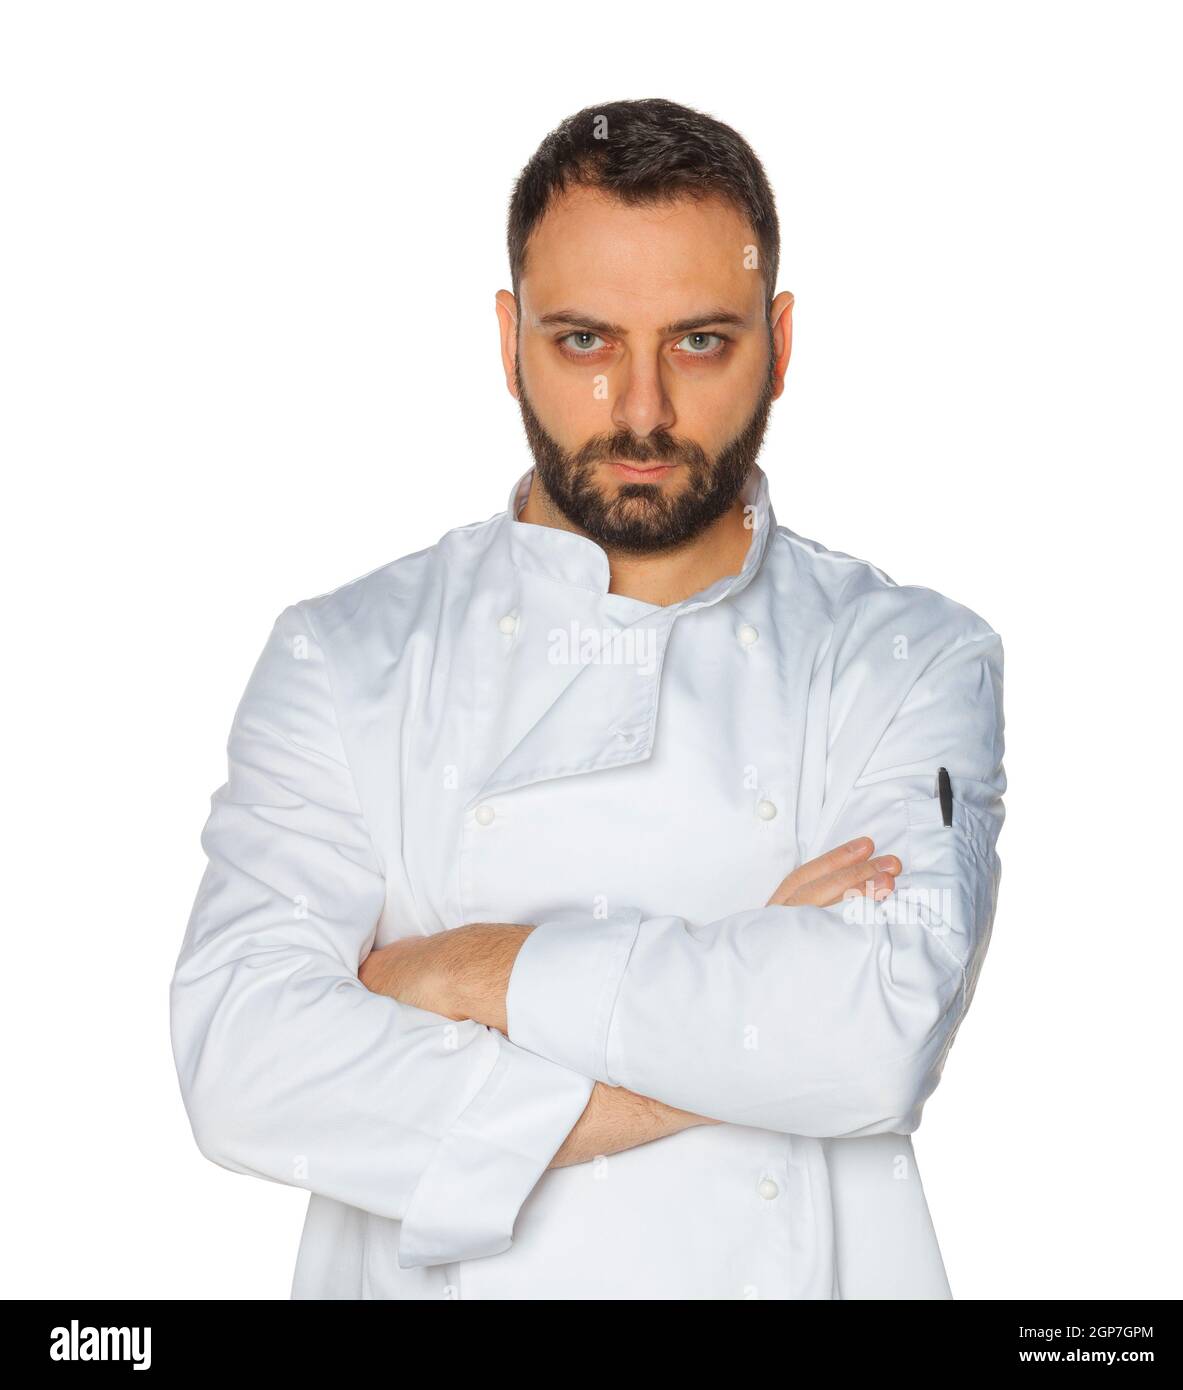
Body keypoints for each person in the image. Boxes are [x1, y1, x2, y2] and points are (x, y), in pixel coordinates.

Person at [170, 97, 1005, 1300]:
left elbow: (870, 1042)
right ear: (509, 337)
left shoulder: (908, 657)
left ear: (779, 339)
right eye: (584, 342)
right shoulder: (346, 658)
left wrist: (463, 974)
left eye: (700, 342)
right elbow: (244, 1064)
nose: (643, 409)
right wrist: (740, 1020)